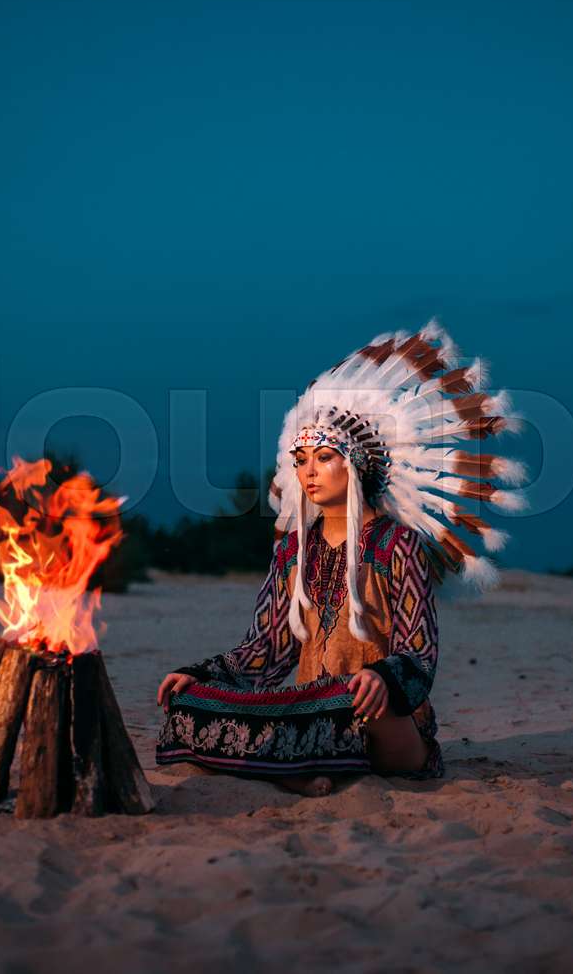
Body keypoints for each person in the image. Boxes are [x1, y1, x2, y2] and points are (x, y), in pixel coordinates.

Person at [153, 319, 527, 796]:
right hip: (311, 710)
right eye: (300, 461)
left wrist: (381, 678)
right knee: (193, 706)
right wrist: (202, 675)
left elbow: (420, 653)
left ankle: (300, 770)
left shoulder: (397, 545)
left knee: (353, 705)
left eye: (324, 457)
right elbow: (266, 651)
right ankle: (307, 769)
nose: (309, 472)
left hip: (383, 718)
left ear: (356, 463)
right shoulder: (292, 550)